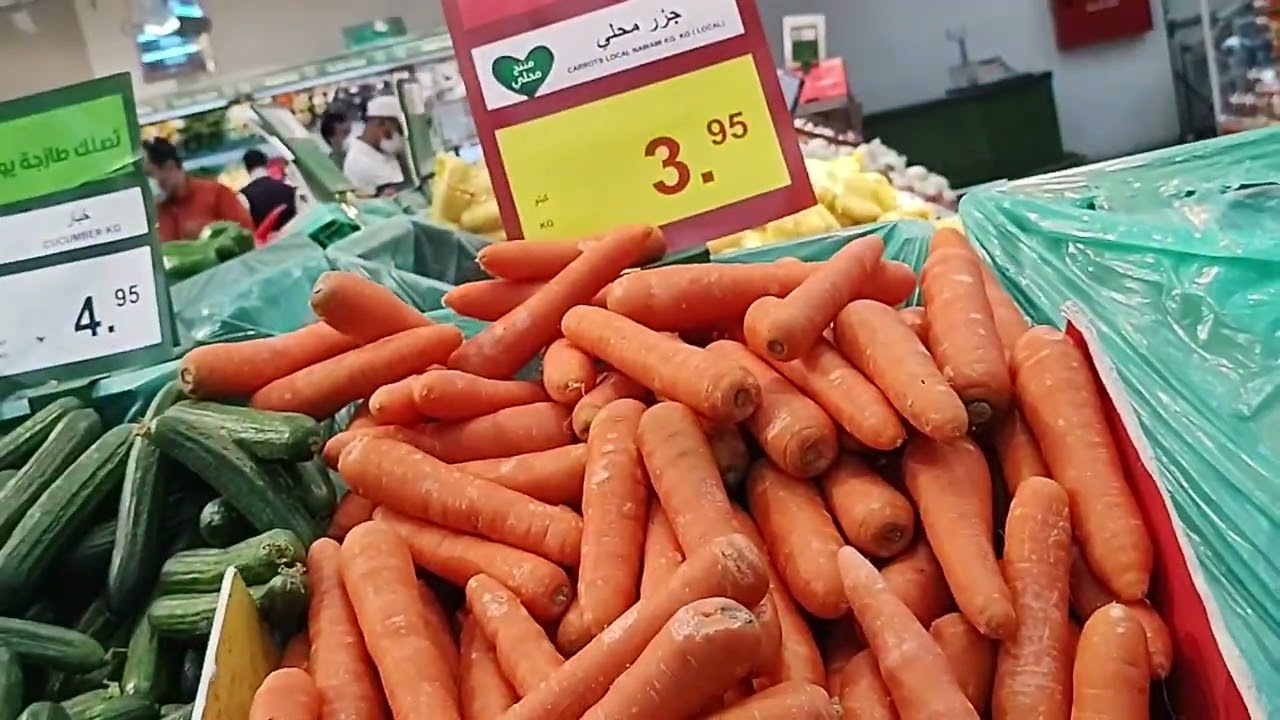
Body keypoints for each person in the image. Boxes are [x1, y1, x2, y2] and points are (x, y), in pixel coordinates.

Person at [144, 138, 253, 242]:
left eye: (149, 174)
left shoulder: (216, 194)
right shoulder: (153, 213)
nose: (147, 183)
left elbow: (248, 235)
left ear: (170, 167)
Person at [342, 95, 407, 196]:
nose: (401, 136)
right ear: (381, 124)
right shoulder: (360, 163)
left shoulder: (383, 151)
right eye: (399, 130)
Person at [239, 149, 297, 230]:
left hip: (267, 237)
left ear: (246, 169)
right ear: (266, 163)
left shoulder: (243, 196)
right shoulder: (288, 187)